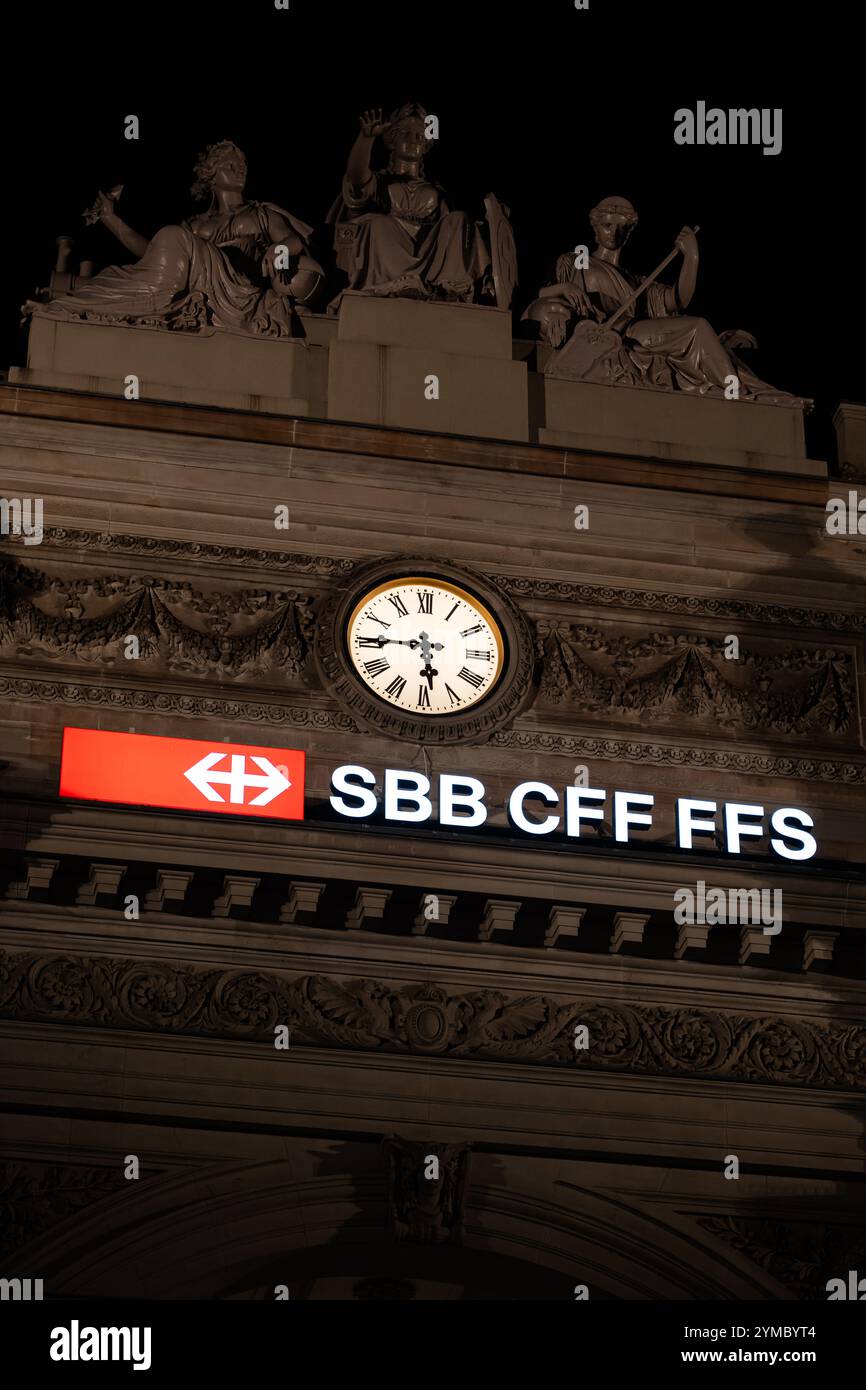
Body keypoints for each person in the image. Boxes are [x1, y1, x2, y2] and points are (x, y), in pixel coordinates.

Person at [525, 196, 802, 404]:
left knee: (696, 326)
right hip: (604, 334)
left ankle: (736, 390)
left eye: (621, 227)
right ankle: (735, 390)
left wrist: (691, 257)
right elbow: (539, 298)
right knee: (696, 328)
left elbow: (675, 301)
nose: (613, 232)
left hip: (633, 332)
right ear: (595, 227)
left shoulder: (637, 280)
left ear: (630, 231)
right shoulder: (576, 261)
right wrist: (562, 287)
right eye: (607, 225)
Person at [45, 141, 323, 336]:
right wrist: (111, 219)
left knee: (171, 238)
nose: (241, 169)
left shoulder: (260, 213)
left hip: (238, 290)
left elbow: (293, 239)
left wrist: (279, 251)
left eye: (242, 164)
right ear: (211, 175)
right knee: (146, 272)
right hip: (193, 283)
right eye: (231, 164)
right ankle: (86, 302)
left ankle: (85, 303)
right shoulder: (194, 225)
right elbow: (153, 255)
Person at [328, 103, 493, 306]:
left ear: (425, 145)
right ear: (392, 141)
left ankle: (448, 287)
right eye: (405, 135)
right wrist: (366, 138)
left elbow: (450, 227)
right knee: (379, 224)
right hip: (389, 242)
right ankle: (388, 284)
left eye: (419, 137)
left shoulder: (437, 189)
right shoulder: (381, 182)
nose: (413, 141)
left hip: (430, 248)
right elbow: (356, 178)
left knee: (459, 219)